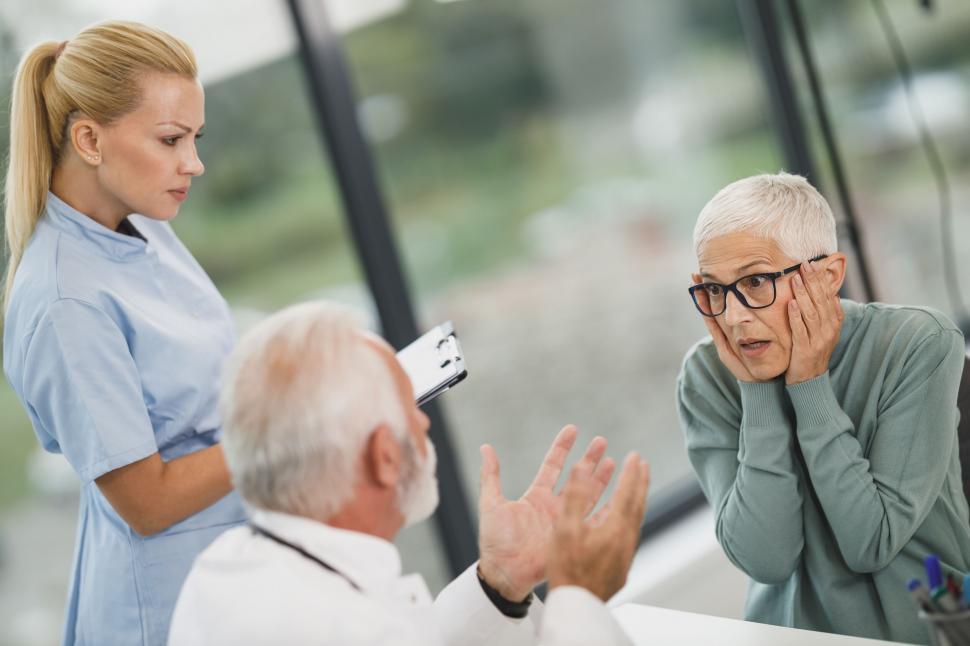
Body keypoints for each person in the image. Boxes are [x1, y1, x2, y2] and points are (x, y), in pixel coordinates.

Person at [169, 301, 650, 645]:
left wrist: (498, 586)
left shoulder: (222, 569)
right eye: (410, 407)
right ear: (383, 456)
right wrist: (579, 596)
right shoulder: (347, 628)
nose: (423, 422)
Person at [2, 21, 246, 645]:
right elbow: (148, 502)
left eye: (195, 137)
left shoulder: (142, 222)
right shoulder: (64, 301)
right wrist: (288, 430)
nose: (193, 162)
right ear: (88, 139)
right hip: (166, 607)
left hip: (231, 565)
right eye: (170, 139)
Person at [676, 172, 970, 644]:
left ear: (828, 275)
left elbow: (870, 544)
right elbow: (766, 560)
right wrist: (757, 391)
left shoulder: (918, 344)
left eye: (755, 281)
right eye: (714, 289)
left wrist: (808, 384)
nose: (733, 316)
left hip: (928, 629)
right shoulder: (706, 377)